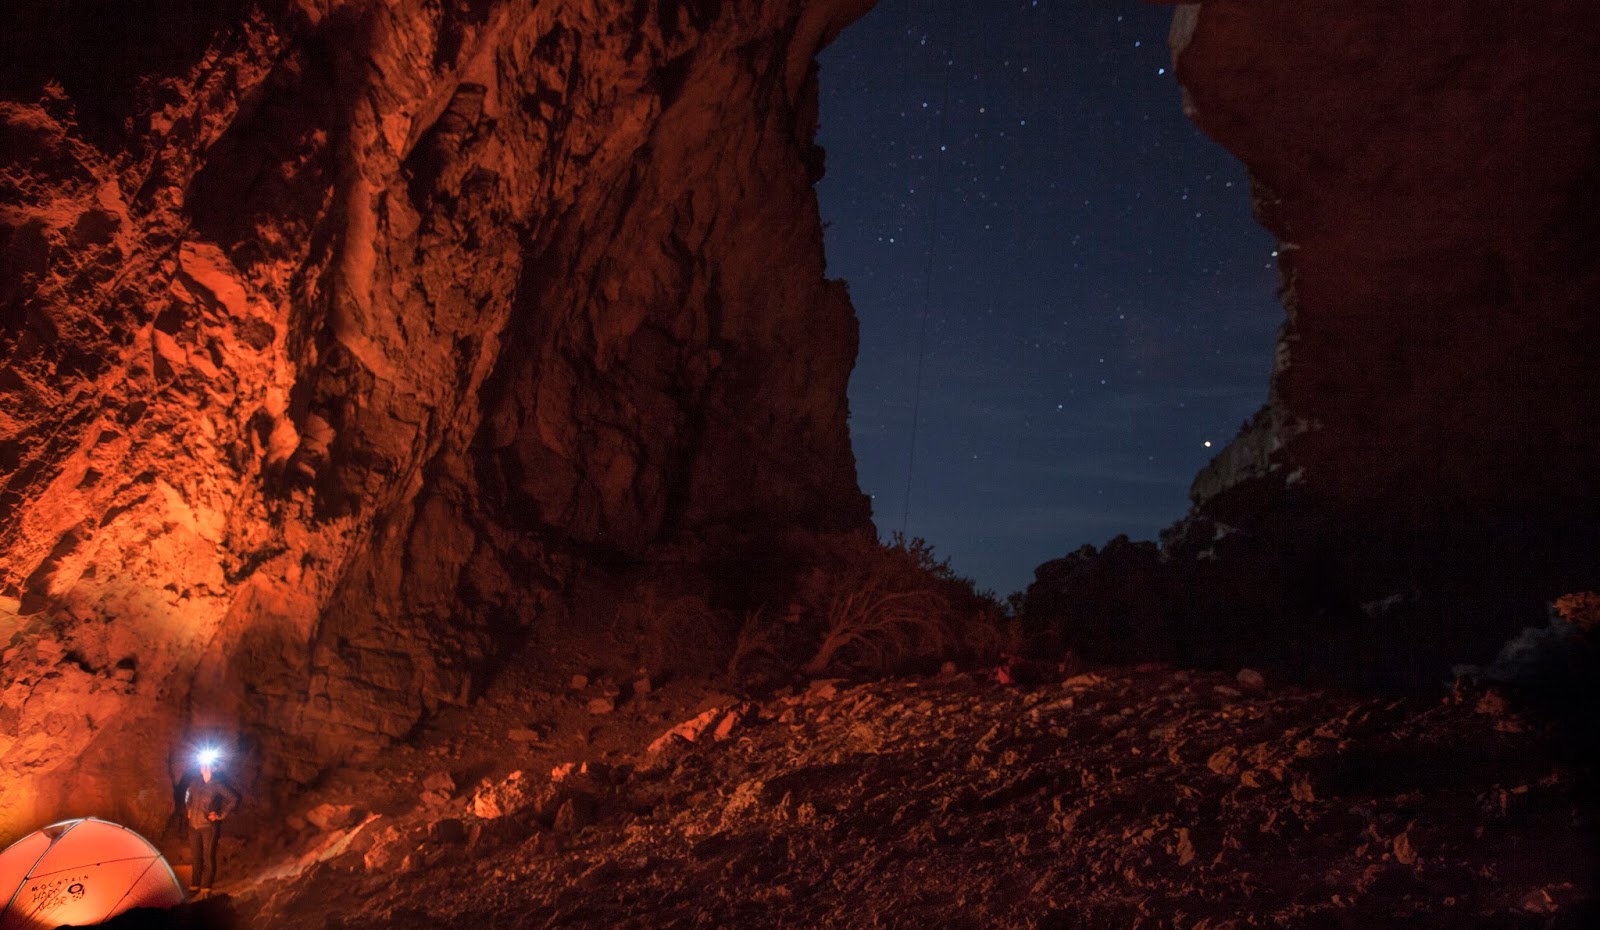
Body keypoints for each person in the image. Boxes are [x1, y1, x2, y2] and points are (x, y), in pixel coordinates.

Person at [184, 751, 240, 897]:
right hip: (193, 826)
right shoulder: (195, 782)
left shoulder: (217, 785)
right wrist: (188, 808)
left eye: (208, 765)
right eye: (203, 765)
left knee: (208, 857)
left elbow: (233, 799)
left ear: (213, 768)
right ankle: (195, 885)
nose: (205, 767)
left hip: (208, 827)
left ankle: (206, 887)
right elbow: (188, 794)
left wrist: (220, 815)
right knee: (196, 856)